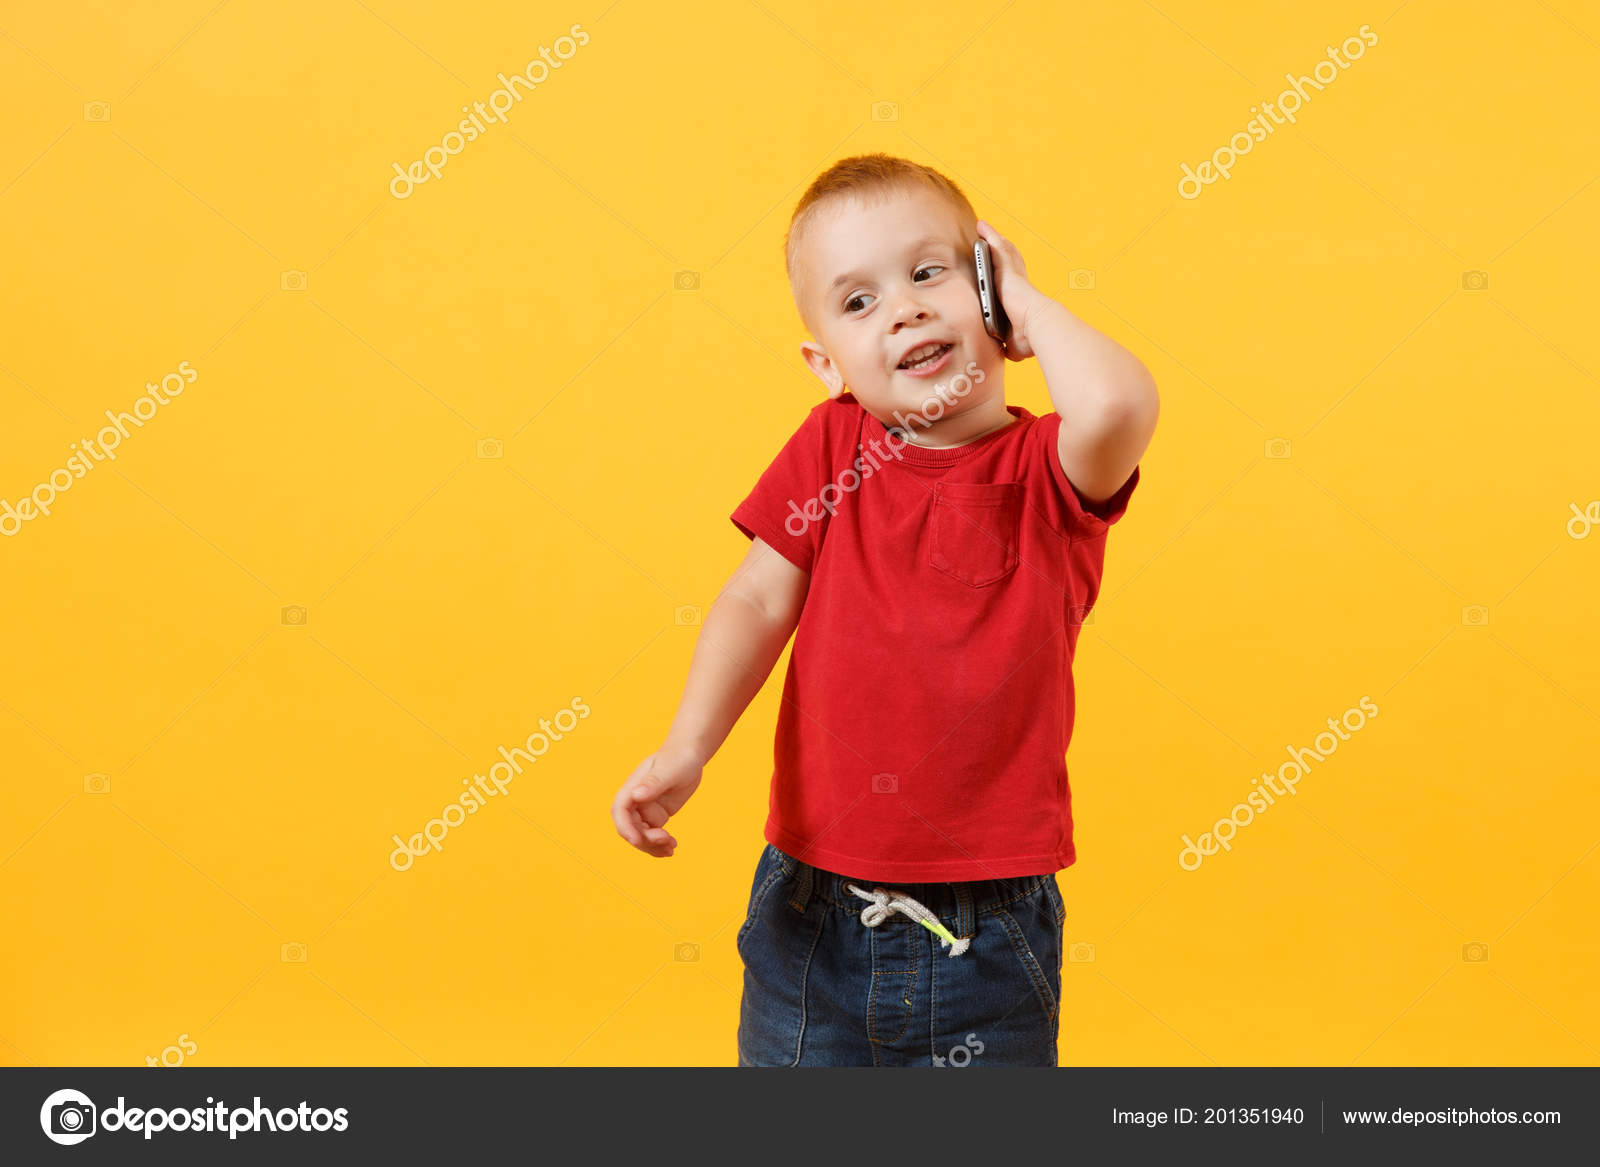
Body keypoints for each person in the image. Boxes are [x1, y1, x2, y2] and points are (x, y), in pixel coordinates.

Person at [610, 153, 1158, 1066]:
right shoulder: (831, 448)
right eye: (858, 302)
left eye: (930, 272)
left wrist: (1024, 302)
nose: (902, 307)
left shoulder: (1050, 472)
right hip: (810, 906)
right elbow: (754, 597)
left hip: (988, 923)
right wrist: (687, 744)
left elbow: (1117, 402)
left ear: (988, 297)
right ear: (826, 364)